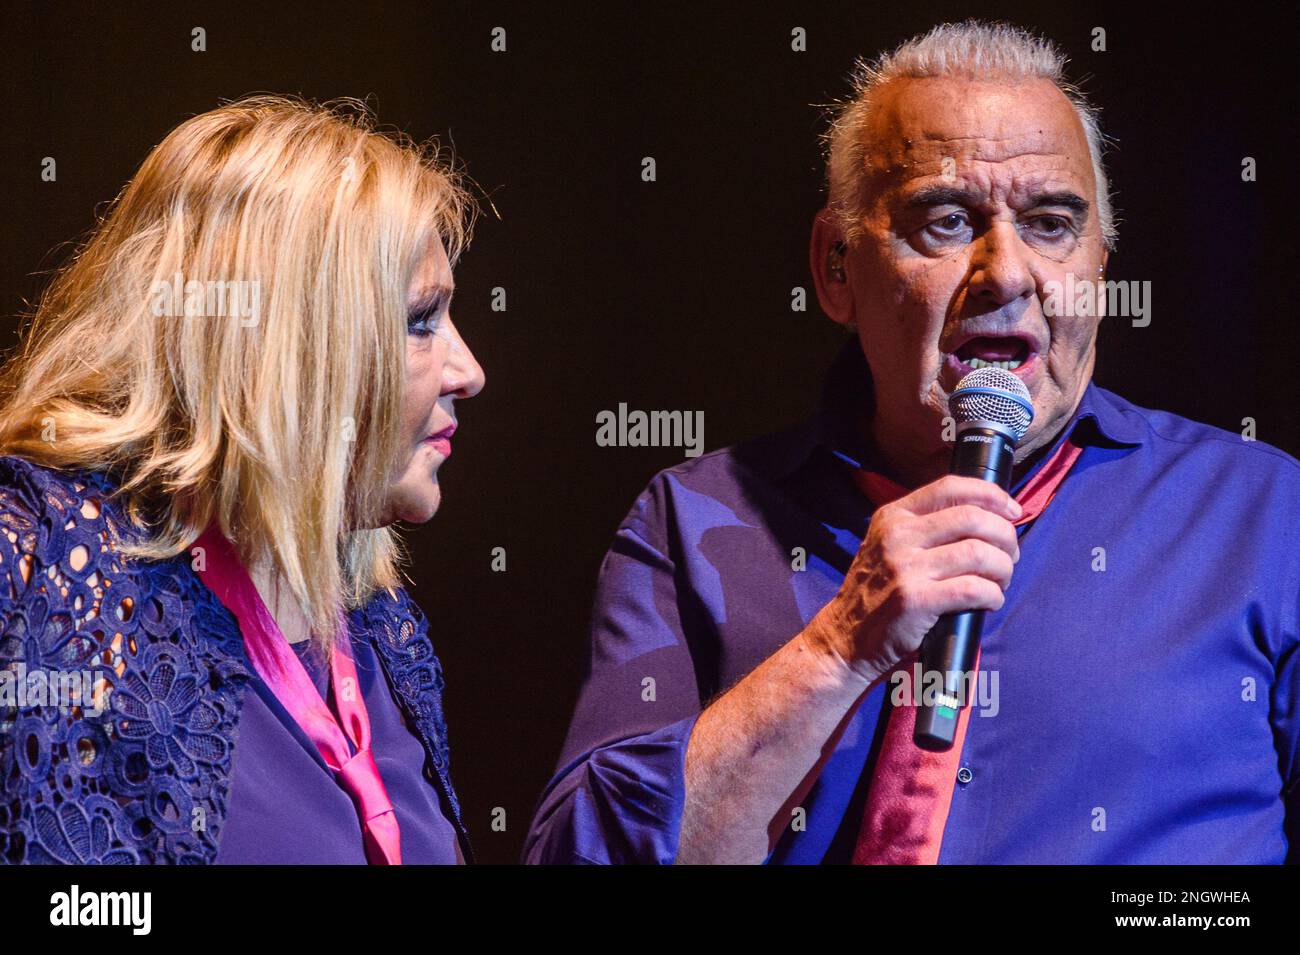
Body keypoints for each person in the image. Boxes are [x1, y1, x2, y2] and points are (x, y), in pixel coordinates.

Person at [524, 20, 1300, 864]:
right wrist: (839, 645)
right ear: (835, 266)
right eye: (946, 220)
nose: (1006, 272)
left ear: (1101, 267)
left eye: (1049, 223)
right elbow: (579, 856)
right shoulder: (693, 519)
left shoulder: (1262, 517)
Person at [0, 94, 486, 864]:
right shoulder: (35, 570)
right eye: (421, 319)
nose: (471, 370)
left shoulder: (379, 624)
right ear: (291, 349)